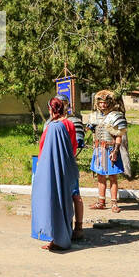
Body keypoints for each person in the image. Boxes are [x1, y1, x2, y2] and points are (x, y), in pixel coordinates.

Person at [32, 96, 80, 252]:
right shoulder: (66, 124)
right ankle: (66, 234)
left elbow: (46, 150)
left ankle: (57, 239)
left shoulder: (53, 127)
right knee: (65, 201)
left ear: (51, 109)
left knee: (53, 202)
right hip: (66, 168)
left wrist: (42, 168)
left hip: (52, 169)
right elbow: (71, 147)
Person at [88, 90, 128, 212]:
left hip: (110, 149)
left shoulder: (115, 116)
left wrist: (115, 151)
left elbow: (119, 136)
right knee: (100, 176)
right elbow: (91, 130)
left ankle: (114, 203)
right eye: (100, 103)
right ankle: (101, 202)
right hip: (99, 149)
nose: (103, 105)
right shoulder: (94, 116)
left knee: (112, 177)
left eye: (105, 103)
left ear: (109, 103)